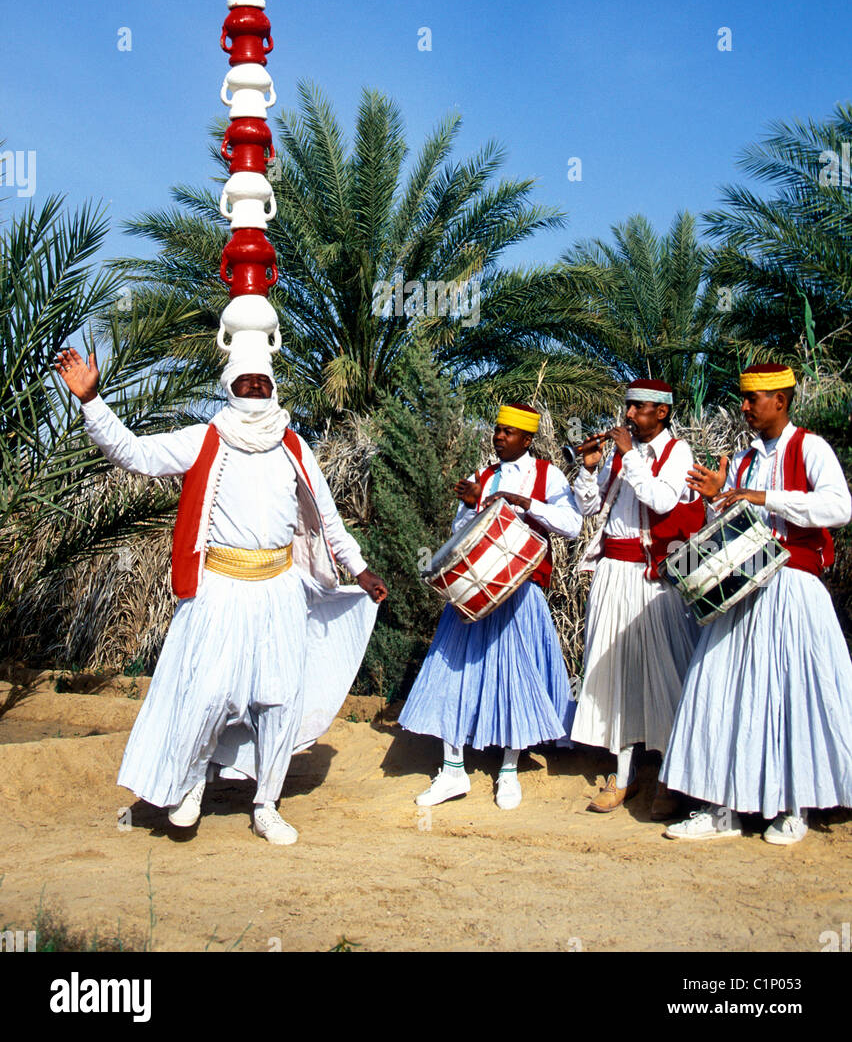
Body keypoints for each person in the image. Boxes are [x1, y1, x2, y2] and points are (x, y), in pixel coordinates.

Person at [54, 343, 387, 845]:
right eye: (245, 381)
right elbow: (136, 454)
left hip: (279, 590)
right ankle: (189, 787)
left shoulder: (294, 447)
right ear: (229, 388)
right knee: (208, 695)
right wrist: (92, 401)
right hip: (221, 590)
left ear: (273, 388)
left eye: (263, 381)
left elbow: (329, 517)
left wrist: (359, 569)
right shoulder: (206, 438)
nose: (255, 387)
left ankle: (266, 804)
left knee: (278, 701)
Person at [661, 362, 852, 845]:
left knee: (793, 695)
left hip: (792, 589)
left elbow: (839, 507)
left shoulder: (810, 447)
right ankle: (720, 808)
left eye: (752, 400)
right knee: (721, 691)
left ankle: (793, 806)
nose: (744, 408)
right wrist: (716, 498)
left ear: (780, 401)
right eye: (744, 400)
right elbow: (734, 519)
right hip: (740, 591)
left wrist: (766, 497)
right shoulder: (744, 460)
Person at [399, 402, 582, 811]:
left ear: (528, 439)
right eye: (497, 431)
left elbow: (572, 525)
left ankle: (509, 771)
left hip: (520, 592)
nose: (498, 437)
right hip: (473, 595)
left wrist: (522, 501)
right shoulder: (482, 477)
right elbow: (460, 536)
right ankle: (452, 771)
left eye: (508, 432)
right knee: (451, 676)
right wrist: (474, 504)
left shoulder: (547, 475)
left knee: (514, 677)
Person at [571, 380, 701, 816]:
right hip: (613, 571)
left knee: (666, 671)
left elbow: (663, 500)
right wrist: (589, 469)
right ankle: (623, 773)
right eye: (628, 408)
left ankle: (669, 776)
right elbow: (590, 509)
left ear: (661, 412)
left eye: (639, 409)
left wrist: (627, 458)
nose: (629, 416)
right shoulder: (622, 454)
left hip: (653, 578)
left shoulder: (677, 452)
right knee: (617, 673)